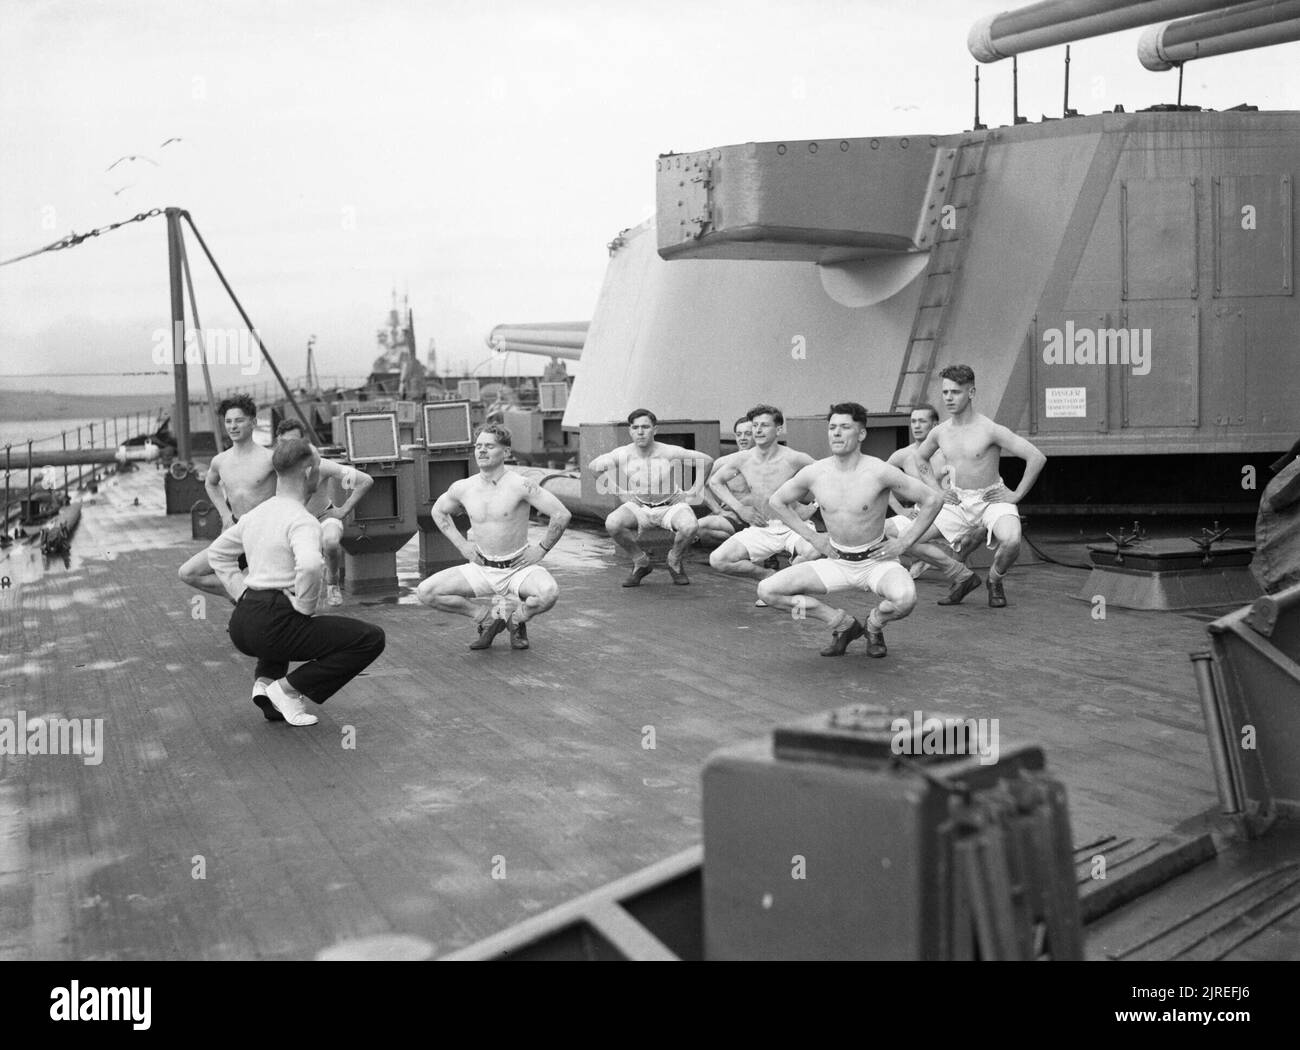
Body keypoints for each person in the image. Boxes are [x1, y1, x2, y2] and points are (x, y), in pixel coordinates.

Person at [207, 437, 386, 726]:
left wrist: (241, 592)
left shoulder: (255, 515)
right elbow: (312, 564)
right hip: (275, 622)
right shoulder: (301, 520)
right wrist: (304, 607)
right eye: (317, 467)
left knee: (281, 635)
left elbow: (217, 554)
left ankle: (265, 686)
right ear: (308, 473)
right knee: (370, 639)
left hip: (243, 624)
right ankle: (286, 689)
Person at [757, 403, 943, 658]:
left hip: (876, 562)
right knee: (768, 592)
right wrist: (813, 537)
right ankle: (841, 624)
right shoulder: (815, 472)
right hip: (836, 560)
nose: (836, 433)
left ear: (861, 434)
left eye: (845, 427)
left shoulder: (879, 471)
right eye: (832, 427)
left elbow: (933, 500)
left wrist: (904, 543)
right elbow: (777, 501)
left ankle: (874, 625)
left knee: (906, 599)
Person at [416, 424, 572, 650]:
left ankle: (517, 620)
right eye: (478, 446)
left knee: (549, 593)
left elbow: (561, 514)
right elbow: (438, 511)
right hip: (481, 567)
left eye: (489, 446)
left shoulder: (521, 485)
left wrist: (541, 549)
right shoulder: (463, 487)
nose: (481, 451)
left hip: (518, 567)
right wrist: (463, 546)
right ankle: (487, 619)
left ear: (506, 452)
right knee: (426, 592)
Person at [914, 364, 1047, 608]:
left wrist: (1016, 495)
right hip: (957, 500)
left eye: (956, 392)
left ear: (971, 393)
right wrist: (936, 491)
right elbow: (920, 458)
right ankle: (962, 577)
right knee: (912, 540)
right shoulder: (940, 432)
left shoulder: (990, 429)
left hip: (990, 499)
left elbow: (1036, 457)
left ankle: (995, 580)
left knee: (1012, 540)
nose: (949, 398)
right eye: (945, 393)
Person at [589, 409, 714, 586]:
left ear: (655, 430)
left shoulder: (669, 452)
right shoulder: (622, 454)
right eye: (636, 427)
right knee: (612, 523)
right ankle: (641, 562)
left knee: (690, 526)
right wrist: (620, 492)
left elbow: (707, 461)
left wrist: (694, 491)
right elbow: (594, 467)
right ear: (630, 431)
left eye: (645, 427)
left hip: (671, 504)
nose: (640, 432)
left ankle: (674, 560)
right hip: (639, 505)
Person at [708, 405, 820, 592]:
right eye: (755, 425)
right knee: (718, 560)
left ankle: (783, 584)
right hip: (762, 526)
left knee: (814, 550)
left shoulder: (794, 457)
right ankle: (767, 576)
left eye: (764, 425)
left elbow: (827, 476)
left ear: (778, 430)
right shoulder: (743, 459)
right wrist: (739, 508)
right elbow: (715, 482)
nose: (758, 430)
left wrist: (814, 506)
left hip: (794, 525)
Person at [178, 395, 275, 600]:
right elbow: (210, 483)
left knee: (267, 583)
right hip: (237, 529)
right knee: (188, 573)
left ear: (253, 422)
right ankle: (241, 596)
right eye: (228, 421)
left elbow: (292, 488)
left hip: (265, 533)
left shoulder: (269, 458)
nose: (233, 426)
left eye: (239, 420)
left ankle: (246, 601)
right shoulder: (221, 461)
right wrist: (225, 515)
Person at [274, 418, 374, 606]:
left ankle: (333, 583)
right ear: (279, 441)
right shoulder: (274, 466)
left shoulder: (321, 465)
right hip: (292, 521)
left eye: (296, 443)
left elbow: (365, 480)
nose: (291, 448)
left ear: (304, 442)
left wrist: (343, 510)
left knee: (330, 542)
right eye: (286, 443)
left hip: (323, 516)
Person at [883, 404, 981, 596]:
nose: (916, 426)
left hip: (948, 515)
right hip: (920, 515)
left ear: (934, 424)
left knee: (979, 530)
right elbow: (878, 482)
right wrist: (900, 510)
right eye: (913, 421)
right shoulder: (903, 455)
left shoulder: (949, 452)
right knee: (879, 530)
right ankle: (921, 557)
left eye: (922, 421)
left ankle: (949, 560)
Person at [696, 417, 756, 545]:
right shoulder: (723, 462)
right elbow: (700, 487)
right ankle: (741, 540)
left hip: (761, 519)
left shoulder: (768, 462)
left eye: (748, 434)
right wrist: (718, 510)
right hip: (734, 518)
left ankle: (746, 541)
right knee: (697, 527)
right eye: (739, 434)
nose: (743, 438)